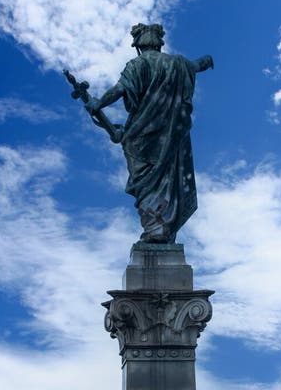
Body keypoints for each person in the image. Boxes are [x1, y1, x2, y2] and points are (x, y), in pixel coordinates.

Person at [85, 23, 213, 243]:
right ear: (159, 43)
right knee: (166, 178)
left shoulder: (138, 64)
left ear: (138, 45)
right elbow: (195, 66)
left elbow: (120, 89)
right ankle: (160, 226)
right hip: (169, 137)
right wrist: (206, 60)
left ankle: (155, 227)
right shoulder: (177, 64)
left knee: (146, 183)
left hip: (140, 138)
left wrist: (99, 103)